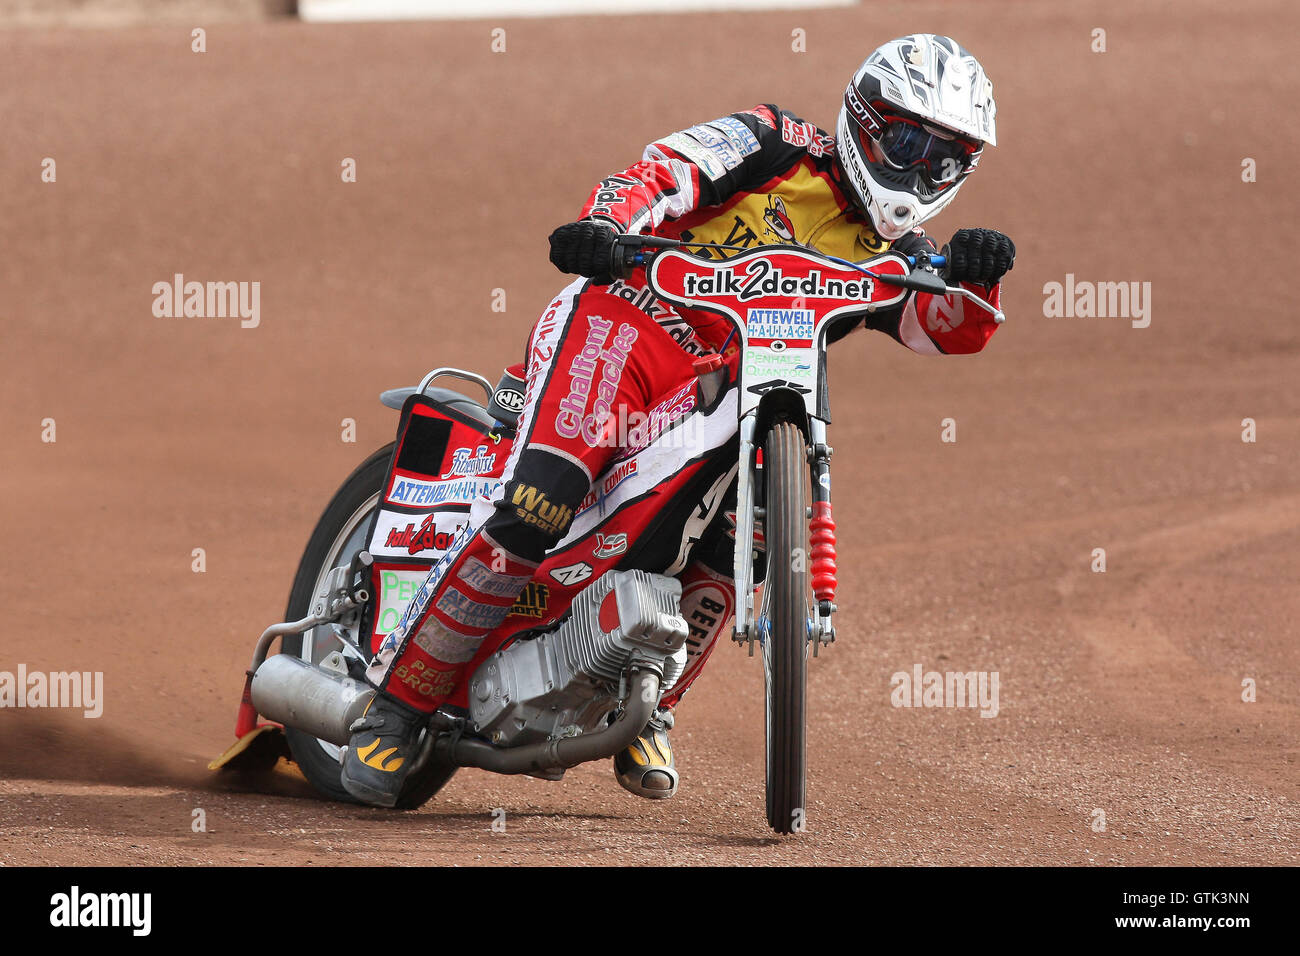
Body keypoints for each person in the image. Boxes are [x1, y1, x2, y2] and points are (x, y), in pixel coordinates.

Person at [341, 33, 1016, 808]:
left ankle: (648, 702)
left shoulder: (896, 253)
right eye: (905, 141)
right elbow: (665, 170)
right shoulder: (776, 143)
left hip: (740, 389)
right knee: (540, 500)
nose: (919, 170)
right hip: (630, 324)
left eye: (945, 160)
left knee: (741, 548)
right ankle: (398, 707)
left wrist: (977, 278)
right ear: (863, 122)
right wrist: (606, 224)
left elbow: (943, 327)